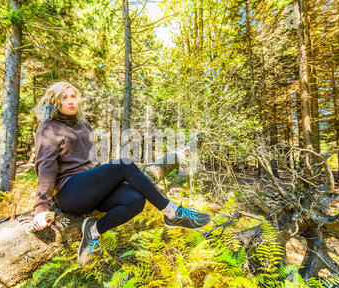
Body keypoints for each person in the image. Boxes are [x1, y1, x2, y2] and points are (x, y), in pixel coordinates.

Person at [32, 81, 211, 267]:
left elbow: (92, 160)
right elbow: (45, 166)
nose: (71, 101)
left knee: (135, 200)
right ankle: (172, 213)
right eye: (64, 97)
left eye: (73, 96)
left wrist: (107, 181)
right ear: (54, 101)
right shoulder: (48, 128)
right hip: (70, 192)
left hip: (90, 188)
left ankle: (93, 231)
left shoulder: (83, 124)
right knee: (124, 164)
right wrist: (41, 207)